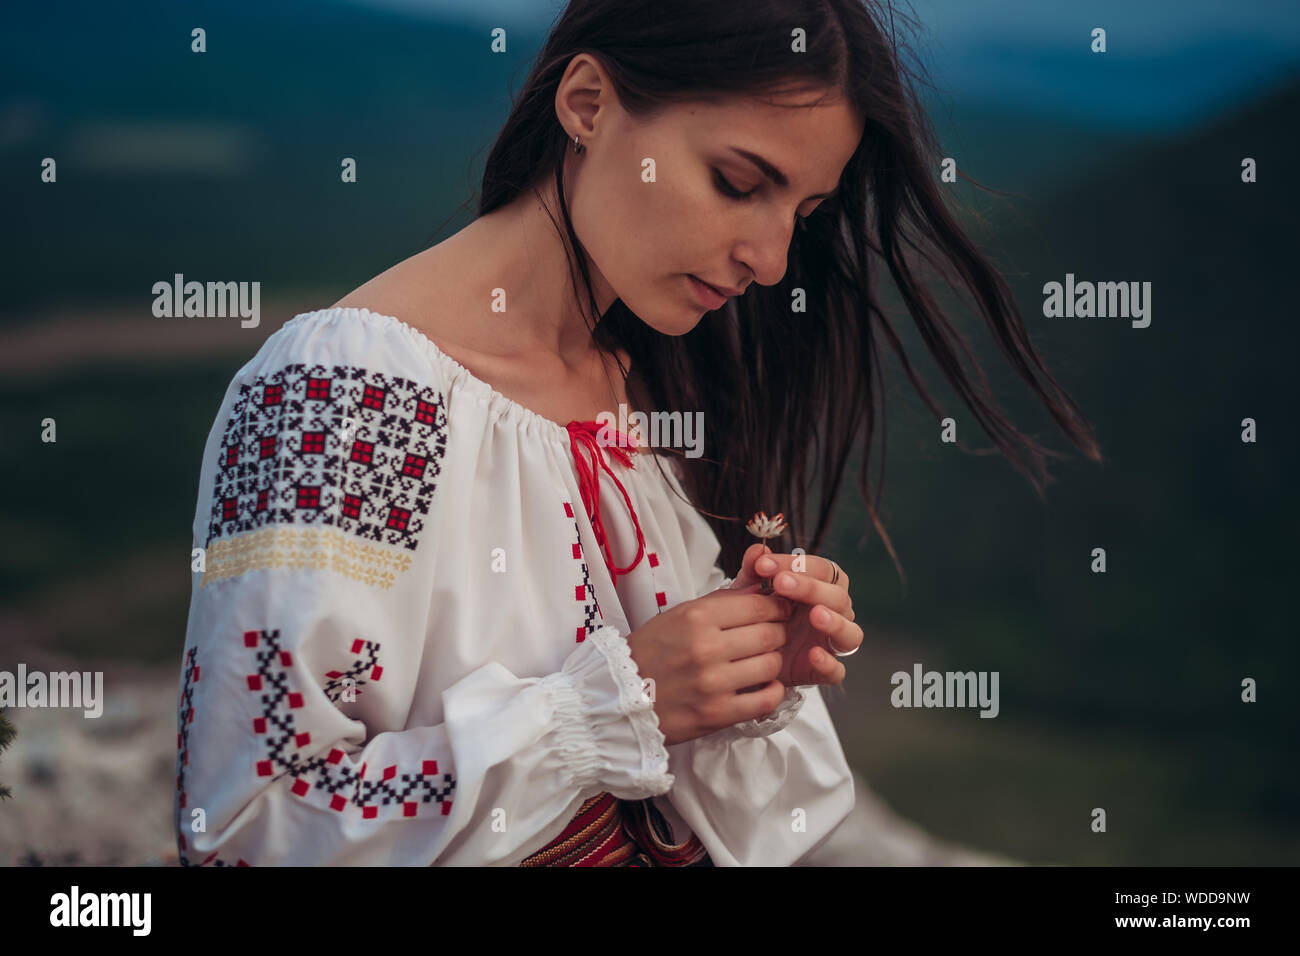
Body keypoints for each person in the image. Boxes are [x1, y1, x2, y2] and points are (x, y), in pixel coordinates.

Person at [175, 0, 1099, 867]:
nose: (772, 260)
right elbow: (247, 828)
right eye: (738, 183)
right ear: (587, 104)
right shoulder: (349, 396)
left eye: (803, 216)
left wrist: (743, 673)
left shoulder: (641, 388)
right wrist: (608, 708)